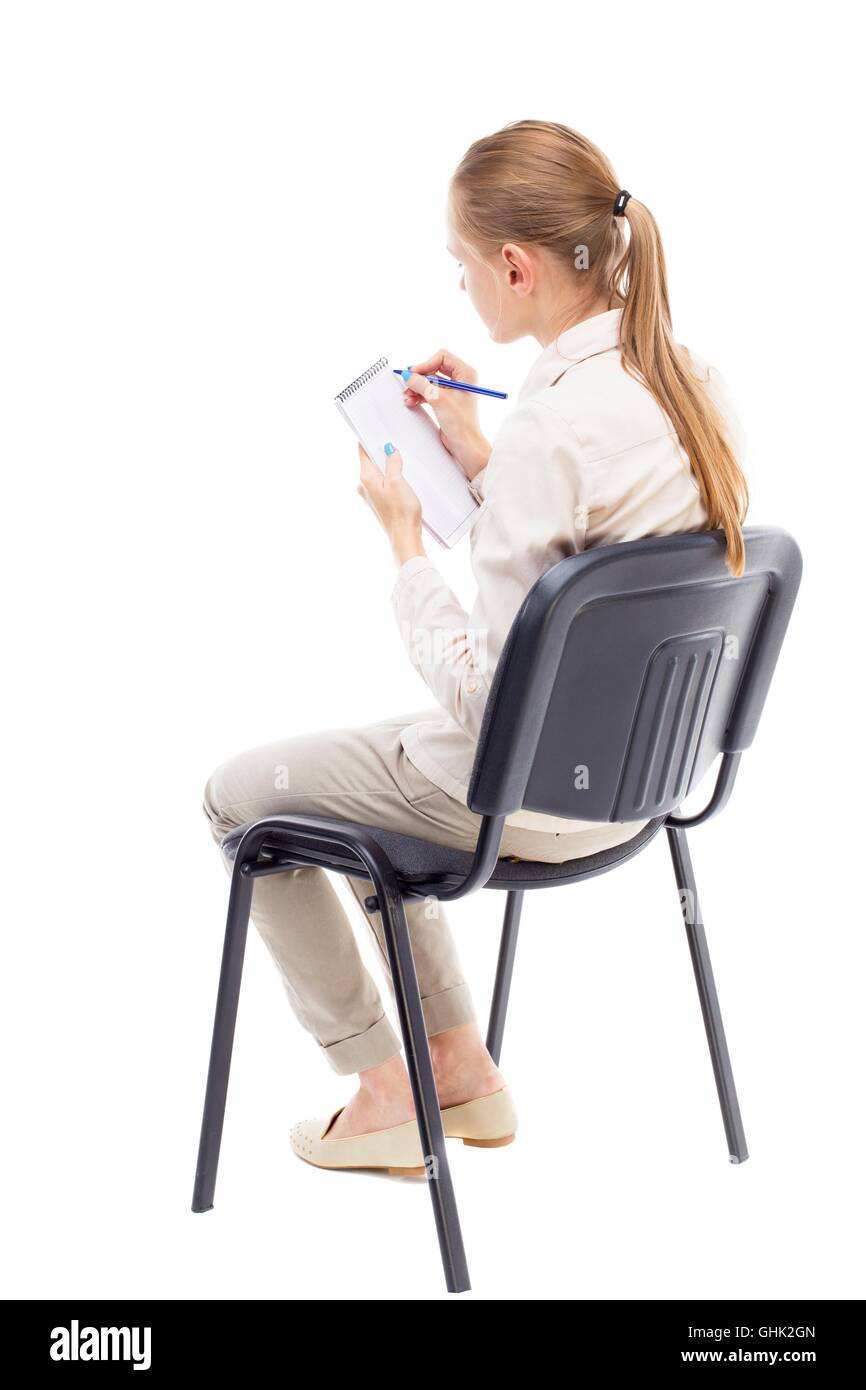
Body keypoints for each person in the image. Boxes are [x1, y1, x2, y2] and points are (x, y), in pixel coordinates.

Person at [203, 118, 748, 1175]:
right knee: (356, 777)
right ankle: (459, 1065)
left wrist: (406, 543)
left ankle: (382, 1083)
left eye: (462, 268)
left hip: (525, 802)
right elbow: (593, 565)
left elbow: (486, 699)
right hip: (645, 787)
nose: (461, 288)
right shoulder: (692, 380)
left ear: (514, 265)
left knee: (241, 801)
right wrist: (480, 459)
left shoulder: (557, 422)